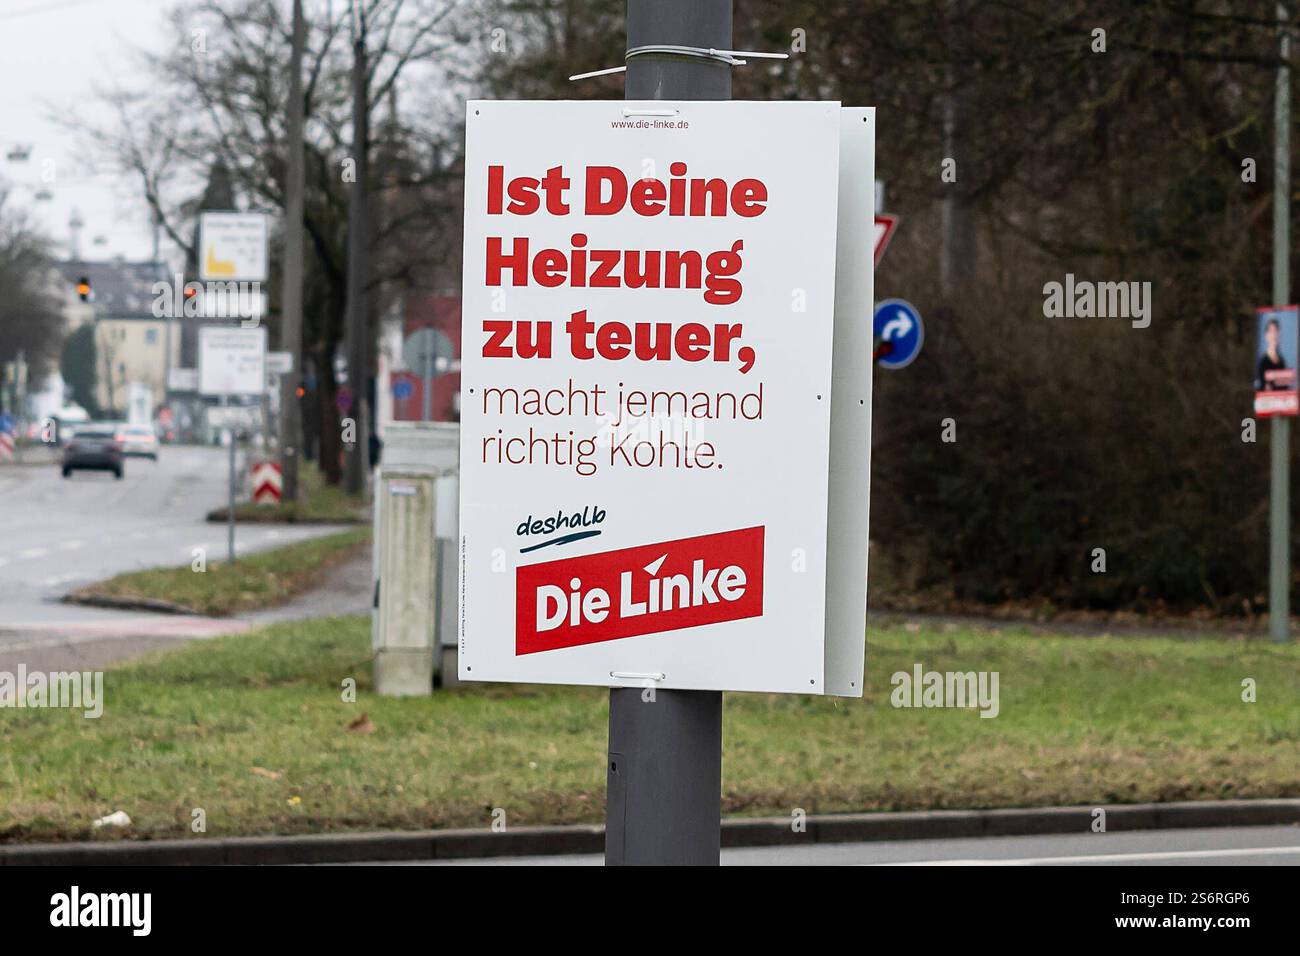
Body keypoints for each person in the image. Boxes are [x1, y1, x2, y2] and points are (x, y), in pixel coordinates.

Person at [1257, 317, 1291, 390]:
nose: (1274, 335)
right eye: (1271, 331)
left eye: (1276, 331)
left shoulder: (1281, 361)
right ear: (1266, 335)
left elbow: (1285, 386)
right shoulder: (1263, 362)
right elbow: (1261, 387)